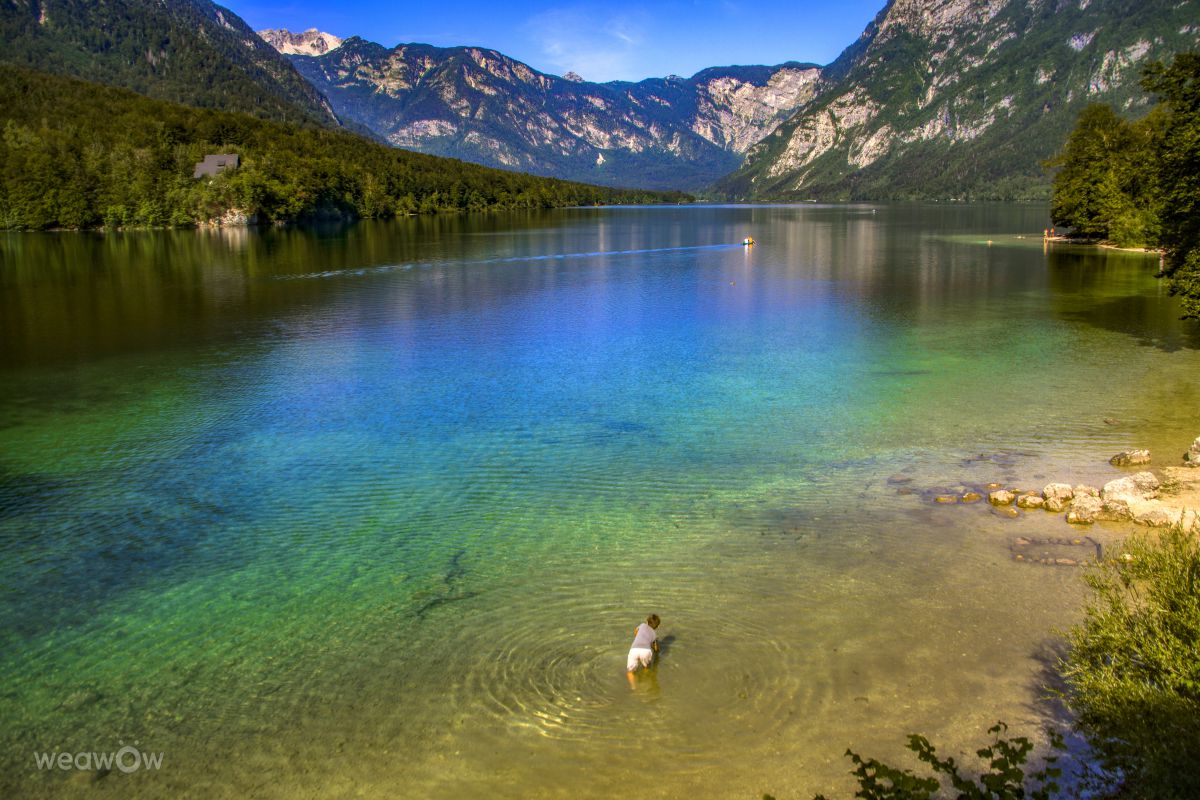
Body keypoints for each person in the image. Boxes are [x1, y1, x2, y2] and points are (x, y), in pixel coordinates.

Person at [626, 614, 660, 685]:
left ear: (647, 621)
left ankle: (633, 687)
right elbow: (656, 648)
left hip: (634, 649)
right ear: (657, 626)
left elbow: (635, 632)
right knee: (646, 667)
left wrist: (638, 637)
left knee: (630, 672)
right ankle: (644, 681)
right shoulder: (654, 634)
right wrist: (656, 652)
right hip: (646, 651)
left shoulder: (642, 625)